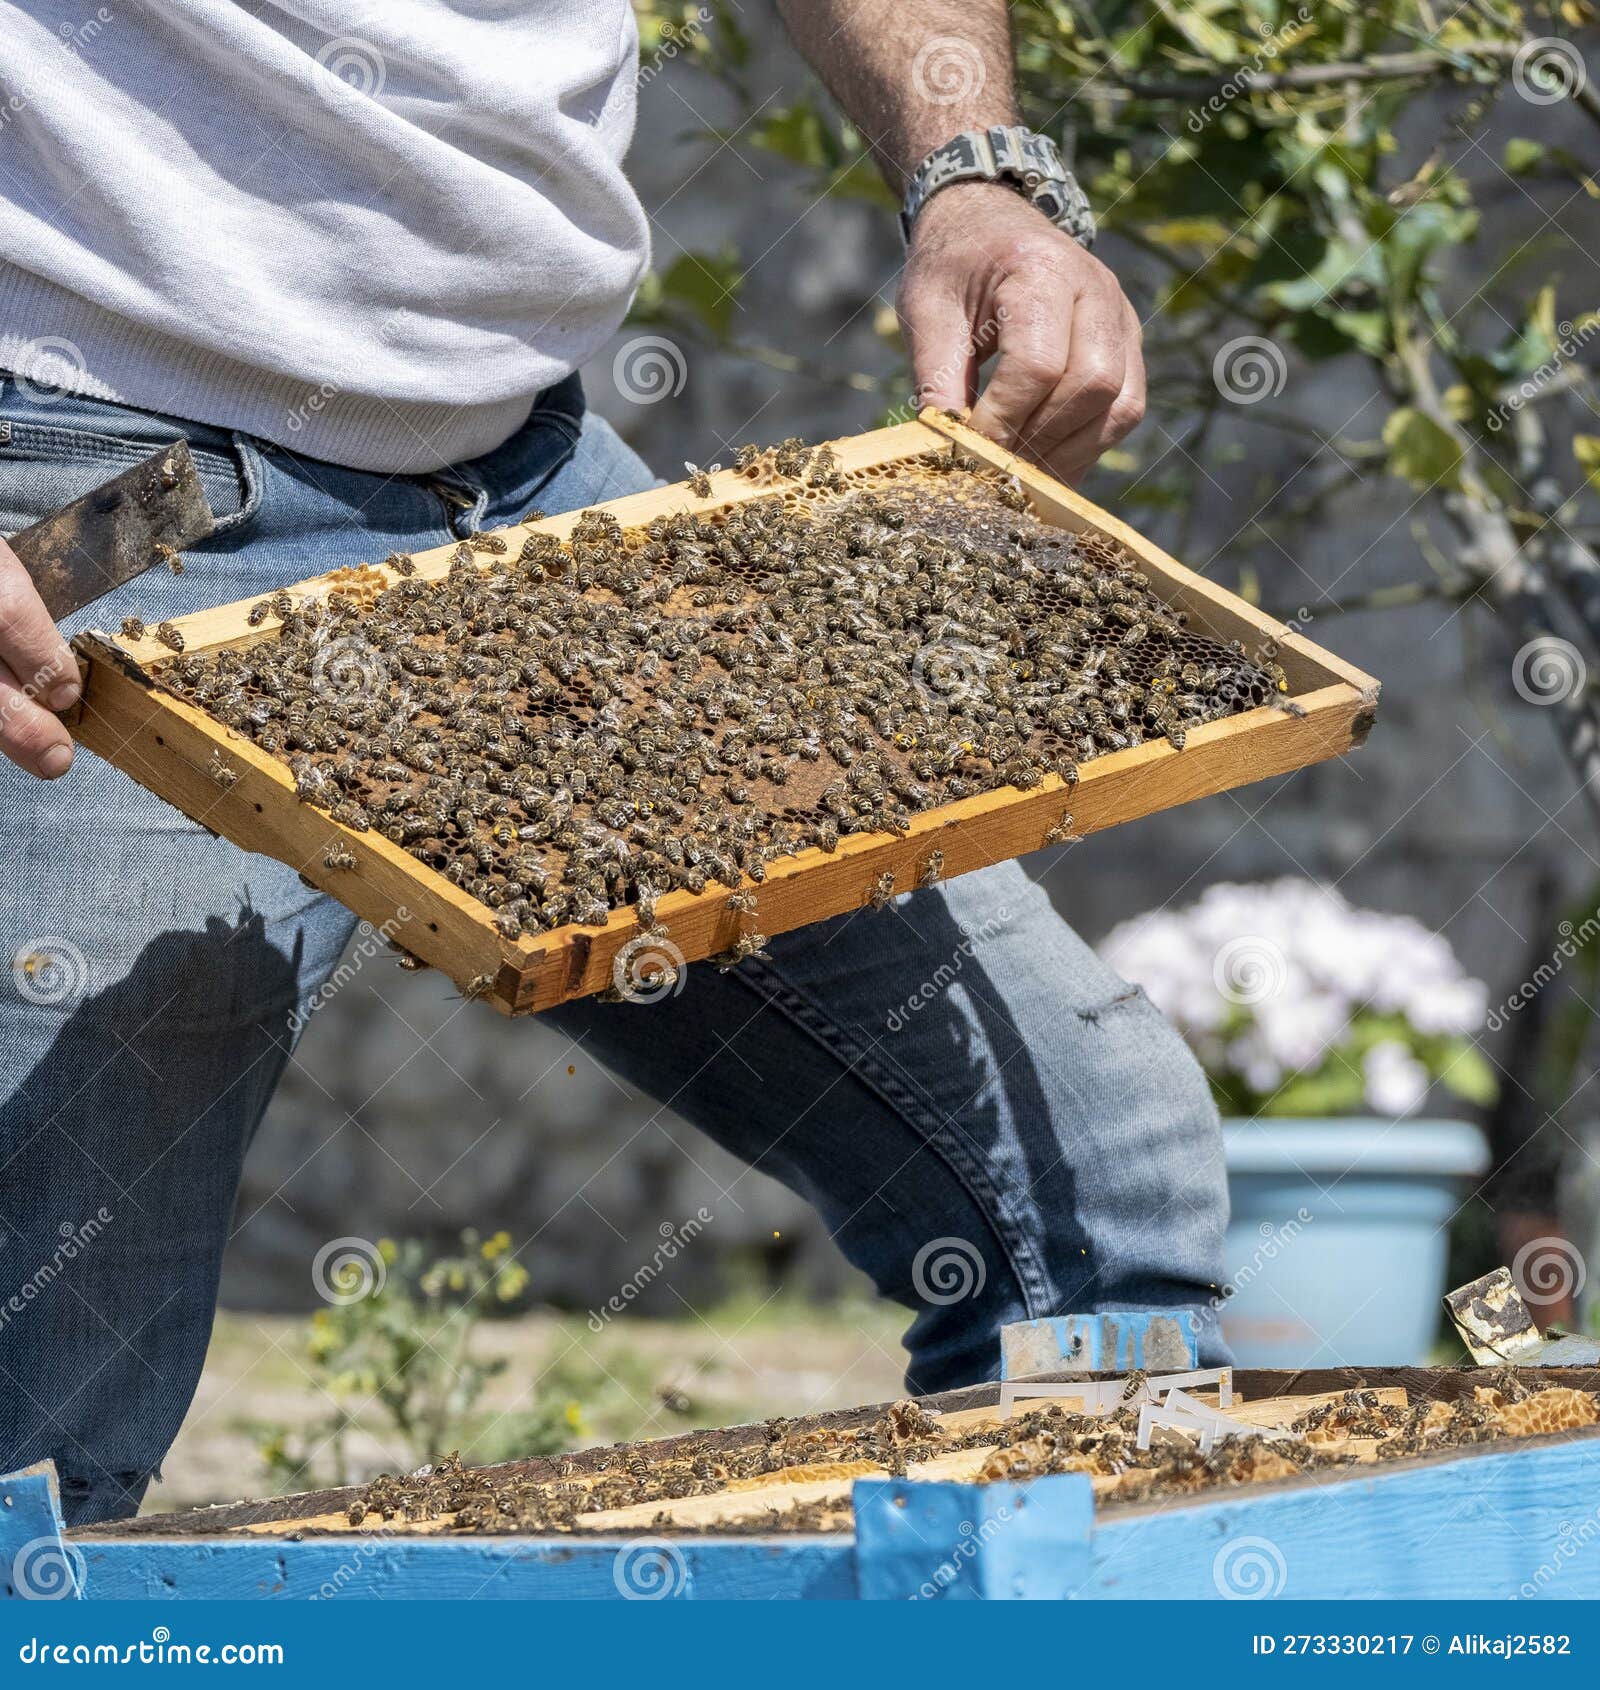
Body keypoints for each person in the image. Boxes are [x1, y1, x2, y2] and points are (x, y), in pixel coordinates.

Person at [0, 1, 1224, 1526]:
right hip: (110, 507)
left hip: (531, 482)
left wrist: (975, 169)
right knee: (35, 1416)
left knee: (1100, 1204)